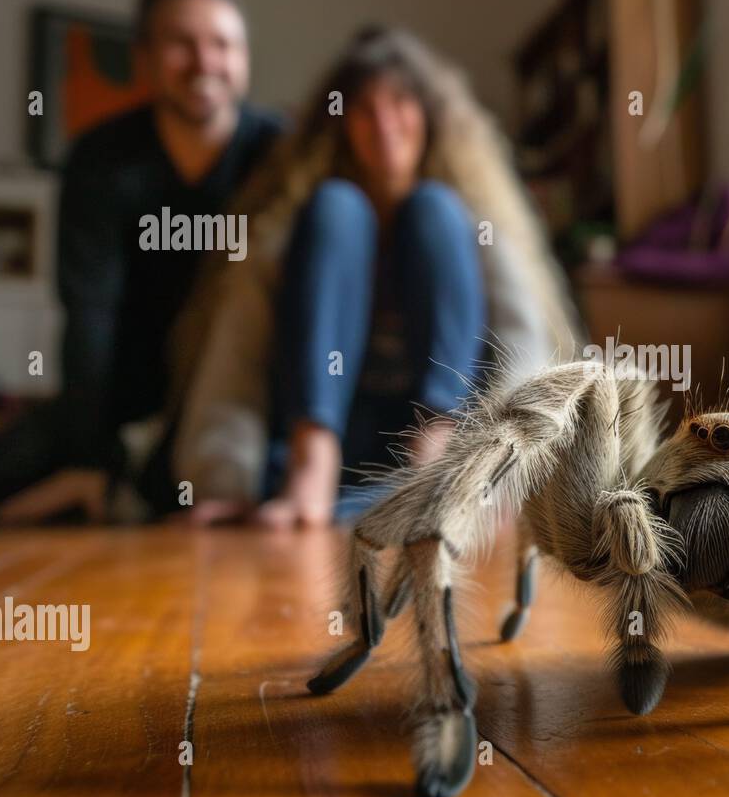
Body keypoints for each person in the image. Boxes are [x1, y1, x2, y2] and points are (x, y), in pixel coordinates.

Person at [176, 28, 580, 527]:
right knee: (336, 207)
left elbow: (522, 344)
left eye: (401, 103)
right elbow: (240, 352)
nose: (384, 123)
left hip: (442, 465)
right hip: (325, 465)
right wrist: (223, 480)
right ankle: (314, 455)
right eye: (364, 109)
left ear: (430, 118)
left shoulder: (469, 224)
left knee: (435, 210)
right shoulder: (302, 226)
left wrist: (505, 470)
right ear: (341, 124)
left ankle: (436, 446)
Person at [0, 0, 282, 523]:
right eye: (181, 43)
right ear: (144, 58)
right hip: (121, 399)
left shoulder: (280, 154)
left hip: (237, 403)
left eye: (222, 44)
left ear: (243, 57)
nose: (204, 62)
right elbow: (89, 313)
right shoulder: (100, 159)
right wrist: (86, 455)